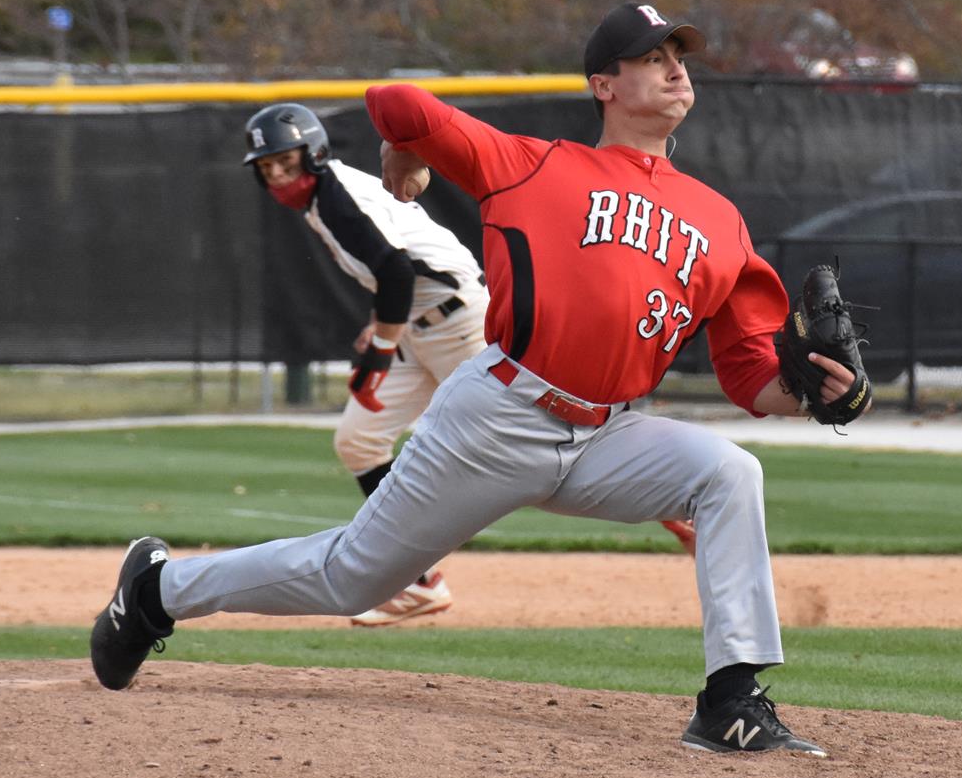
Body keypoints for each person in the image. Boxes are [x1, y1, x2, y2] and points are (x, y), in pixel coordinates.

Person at [92, 2, 860, 756]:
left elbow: (749, 377)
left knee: (729, 473)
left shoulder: (718, 220)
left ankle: (730, 703)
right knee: (350, 579)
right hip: (499, 416)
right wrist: (408, 147)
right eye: (651, 56)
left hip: (608, 432)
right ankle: (157, 592)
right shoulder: (533, 165)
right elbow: (391, 100)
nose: (673, 68)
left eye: (679, 56)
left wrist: (823, 396)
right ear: (603, 84)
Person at [240, 104, 696, 625]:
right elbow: (402, 266)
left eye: (285, 159)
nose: (278, 173)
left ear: (313, 151)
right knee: (359, 441)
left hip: (460, 325)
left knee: (550, 437)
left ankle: (675, 503)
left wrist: (382, 347)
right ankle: (418, 585)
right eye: (267, 165)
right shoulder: (327, 197)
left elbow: (395, 271)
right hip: (423, 325)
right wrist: (383, 326)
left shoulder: (335, 196)